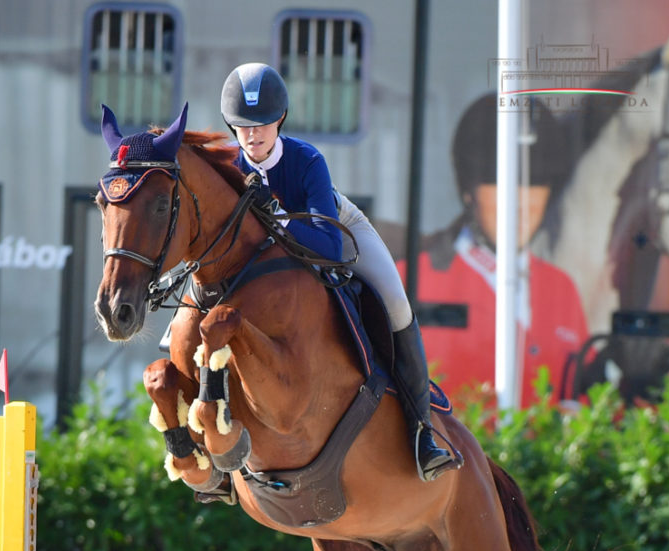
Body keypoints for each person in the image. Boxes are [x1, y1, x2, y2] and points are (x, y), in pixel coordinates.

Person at [219, 62, 460, 482]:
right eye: (243, 126)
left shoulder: (307, 160)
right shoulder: (230, 170)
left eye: (262, 124)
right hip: (275, 257)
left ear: (280, 120)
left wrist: (274, 214)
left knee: (396, 304)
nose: (252, 135)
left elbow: (328, 245)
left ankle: (422, 433)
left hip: (339, 230)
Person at [412, 93, 591, 409]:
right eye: (498, 181)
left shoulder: (562, 288)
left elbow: (594, 405)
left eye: (534, 182)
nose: (518, 201)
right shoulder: (411, 281)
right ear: (468, 190)